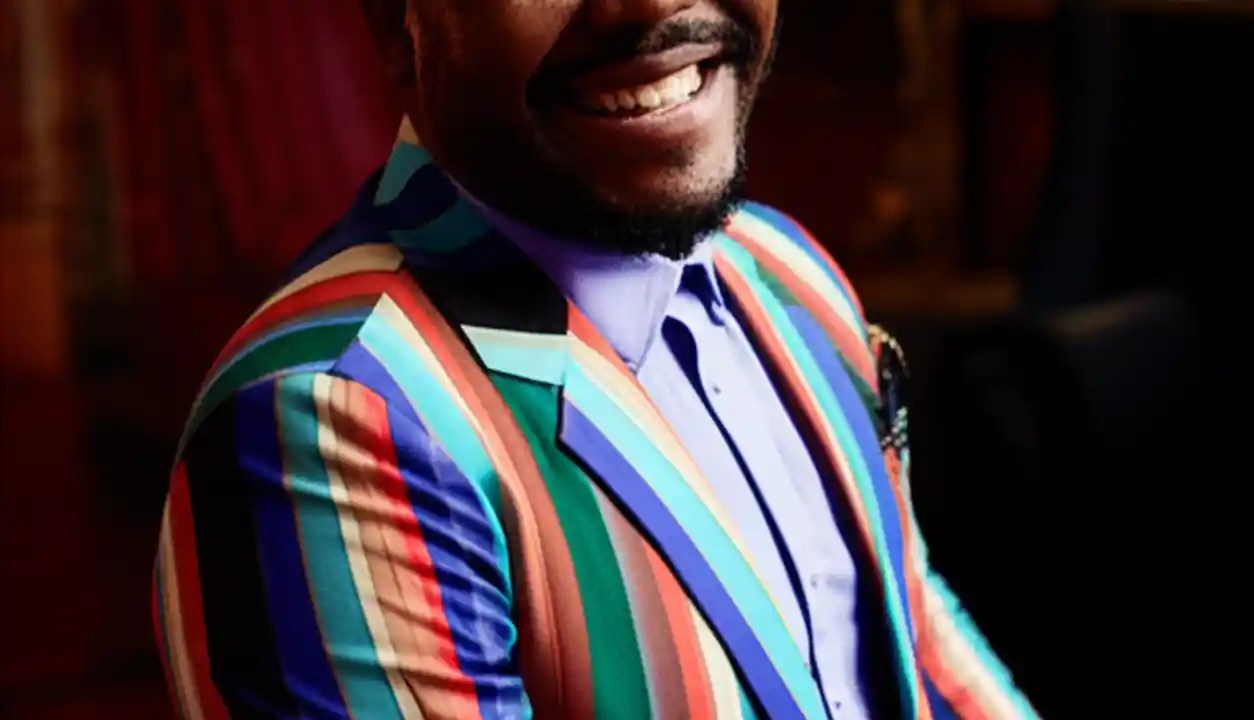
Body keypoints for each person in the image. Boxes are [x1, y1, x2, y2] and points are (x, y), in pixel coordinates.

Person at [153, 1, 1036, 718]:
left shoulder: (789, 275)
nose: (653, 5)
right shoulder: (332, 412)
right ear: (397, 22)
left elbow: (911, 639)